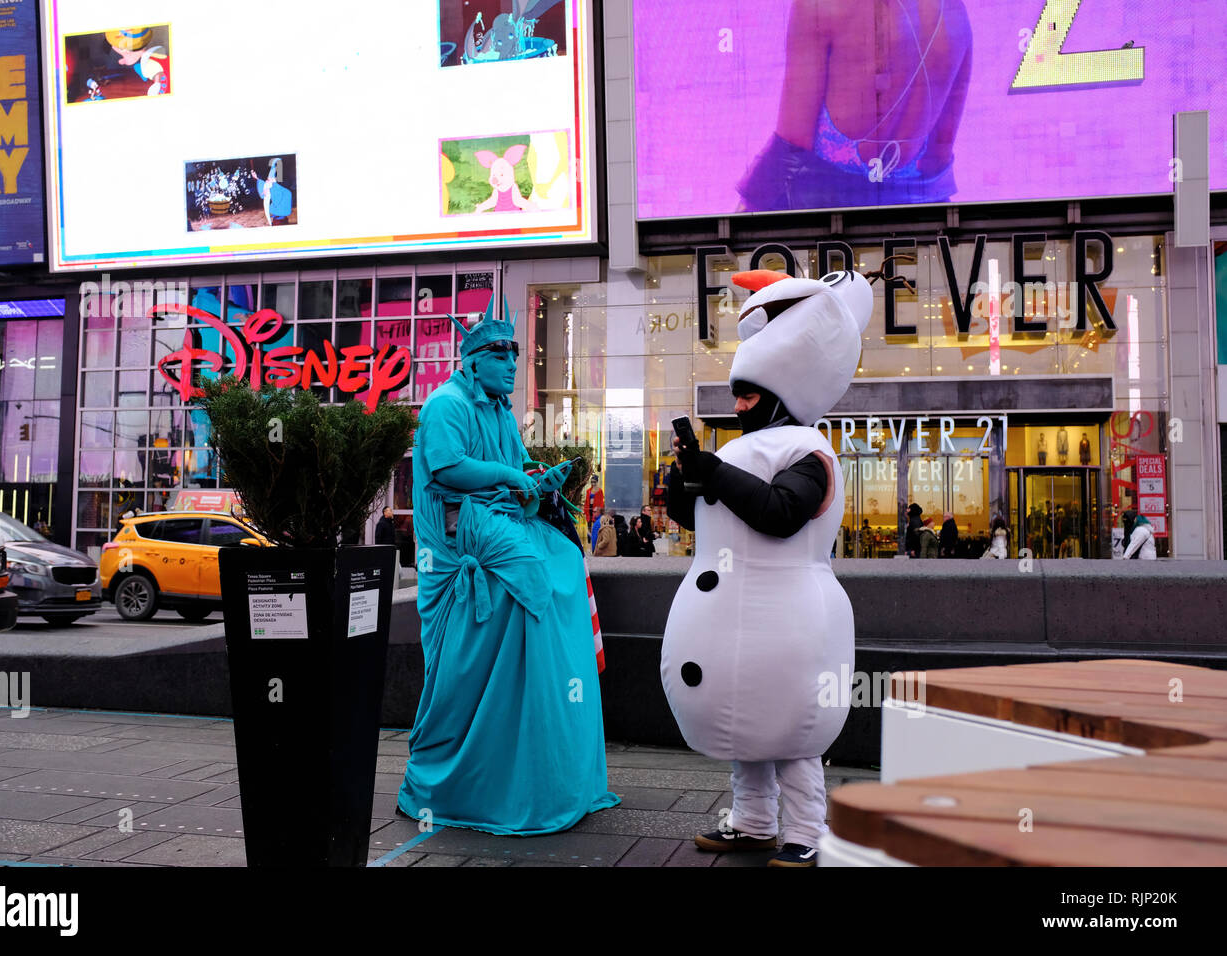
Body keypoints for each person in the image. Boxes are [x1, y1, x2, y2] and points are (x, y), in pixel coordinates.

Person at [663, 265, 871, 868]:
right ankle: (752, 822)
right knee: (745, 732)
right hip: (732, 623)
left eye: (749, 395)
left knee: (792, 734)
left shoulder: (808, 450)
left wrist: (717, 474)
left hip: (790, 622)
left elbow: (782, 513)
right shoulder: (734, 450)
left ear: (779, 394)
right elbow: (697, 516)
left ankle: (806, 831)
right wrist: (686, 477)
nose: (738, 404)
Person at [397, 303, 619, 834]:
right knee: (534, 576)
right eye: (501, 354)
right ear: (473, 361)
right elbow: (448, 468)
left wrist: (540, 481)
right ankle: (479, 766)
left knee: (565, 557)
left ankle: (548, 749)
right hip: (460, 532)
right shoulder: (445, 405)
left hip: (499, 518)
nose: (512, 364)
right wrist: (511, 478)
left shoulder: (498, 410)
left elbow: (518, 471)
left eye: (515, 353)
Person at [737, 0, 972, 213]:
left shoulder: (820, 6)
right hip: (906, 233)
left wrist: (733, 227)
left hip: (825, 233)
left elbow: (791, 146)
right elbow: (938, 161)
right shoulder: (955, 13)